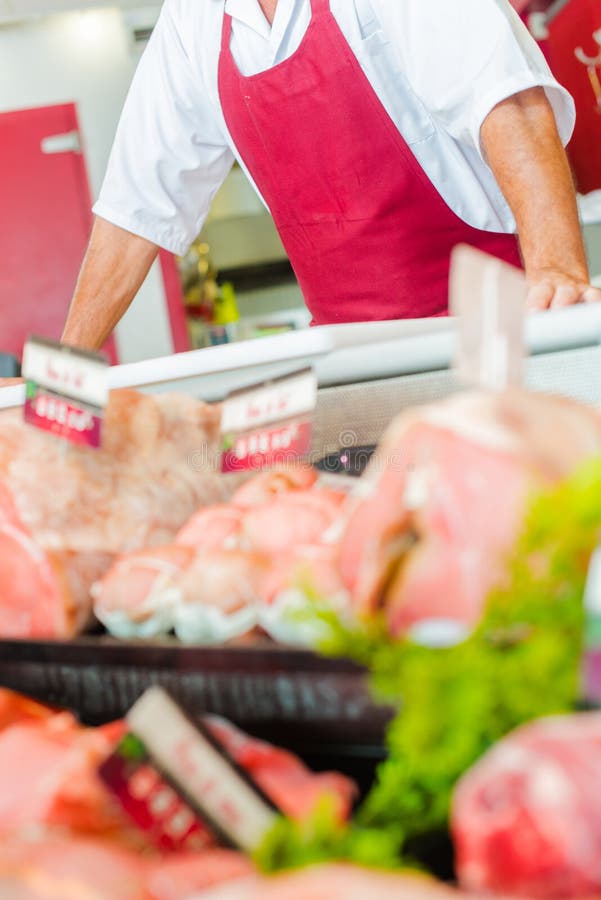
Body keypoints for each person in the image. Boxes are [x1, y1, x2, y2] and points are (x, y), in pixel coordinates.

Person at [62, 0, 601, 350]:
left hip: (492, 328)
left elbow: (511, 104)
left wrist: (557, 272)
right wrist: (59, 384)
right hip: (353, 361)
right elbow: (134, 210)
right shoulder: (191, 20)